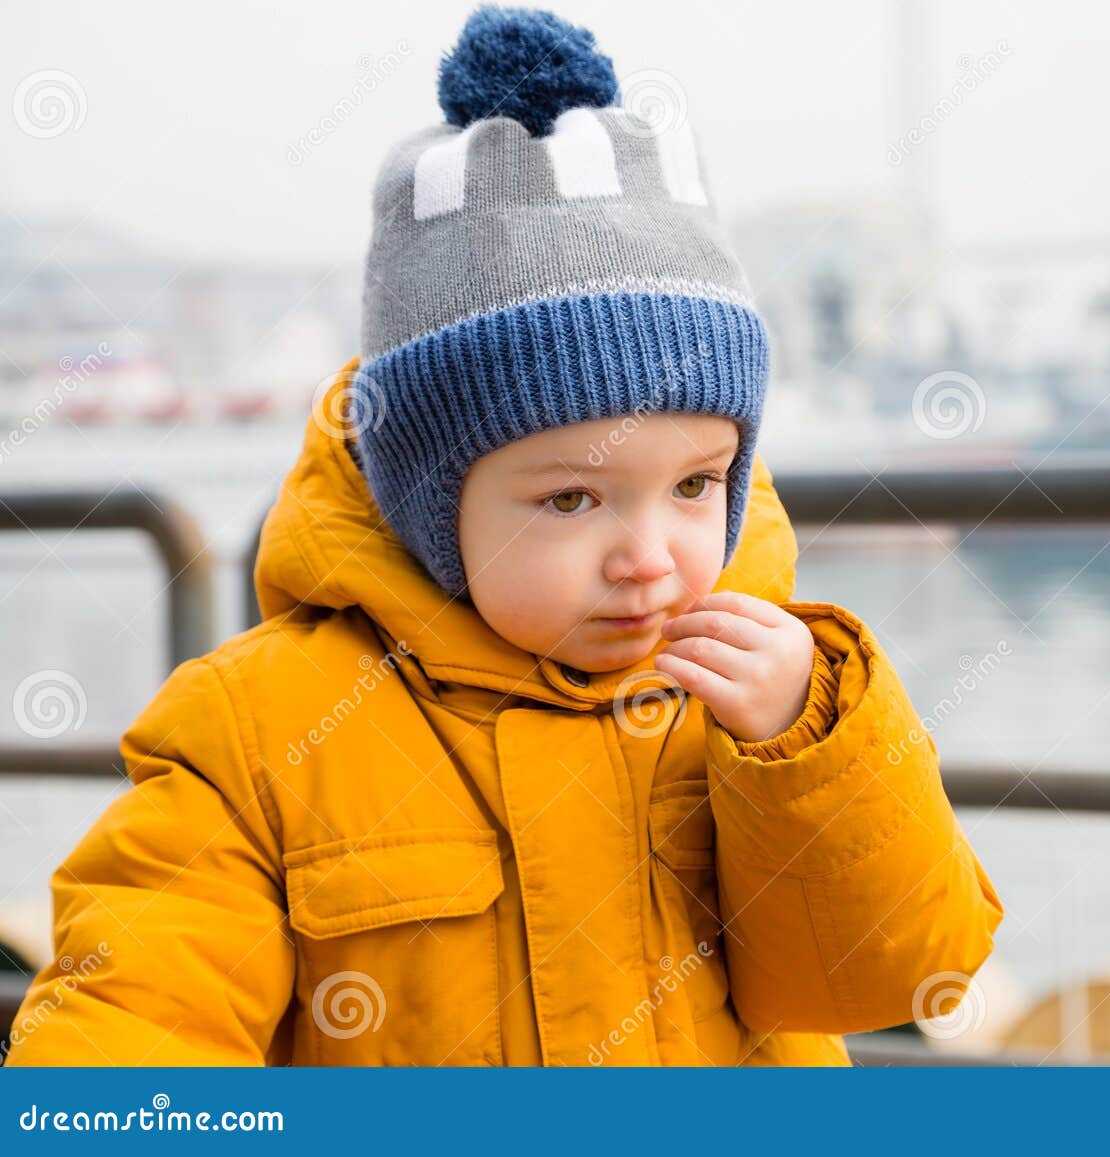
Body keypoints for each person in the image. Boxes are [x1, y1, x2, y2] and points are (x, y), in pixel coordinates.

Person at [3, 4, 1003, 1067]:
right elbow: (141, 1017)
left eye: (694, 483)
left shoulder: (780, 701)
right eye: (572, 499)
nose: (649, 554)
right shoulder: (260, 736)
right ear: (430, 503)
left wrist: (811, 750)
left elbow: (885, 970)